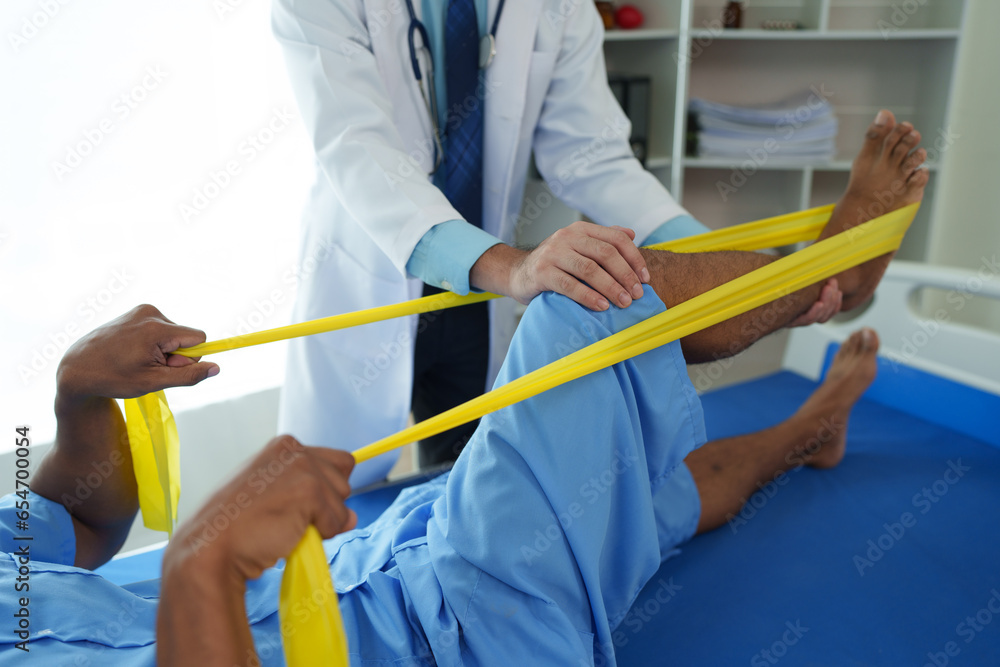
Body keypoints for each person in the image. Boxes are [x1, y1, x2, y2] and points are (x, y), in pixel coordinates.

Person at [0, 112, 926, 664]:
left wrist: (75, 397)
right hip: (444, 639)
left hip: (392, 555)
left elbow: (76, 528)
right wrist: (200, 569)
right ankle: (828, 281)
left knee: (640, 500)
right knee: (588, 300)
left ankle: (814, 424)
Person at [269, 0, 842, 482]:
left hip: (478, 301)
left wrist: (723, 264)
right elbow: (356, 150)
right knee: (324, 509)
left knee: (470, 492)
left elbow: (593, 157)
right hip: (372, 285)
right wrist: (511, 267)